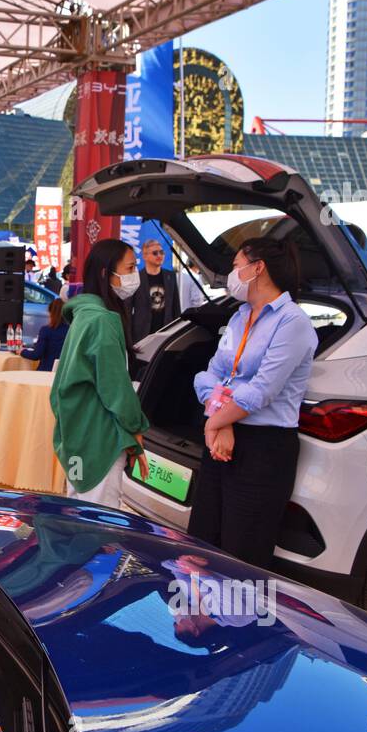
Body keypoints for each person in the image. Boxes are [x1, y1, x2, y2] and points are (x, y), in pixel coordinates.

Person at [188, 237, 317, 569]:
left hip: (263, 449)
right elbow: (210, 375)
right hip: (223, 437)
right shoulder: (239, 316)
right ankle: (199, 606)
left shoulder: (292, 322)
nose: (232, 275)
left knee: (241, 554)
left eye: (236, 266)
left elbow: (262, 390)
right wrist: (223, 423)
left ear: (258, 268)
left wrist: (214, 422)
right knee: (202, 544)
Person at [50, 239, 149, 507]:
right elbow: (115, 387)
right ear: (106, 273)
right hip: (99, 439)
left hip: (76, 435)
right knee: (99, 520)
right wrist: (136, 430)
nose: (135, 275)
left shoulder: (84, 315)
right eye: (130, 268)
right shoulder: (102, 320)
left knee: (77, 511)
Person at [128, 238, 180, 375]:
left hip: (165, 332)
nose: (159, 256)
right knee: (142, 372)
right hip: (142, 335)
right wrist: (129, 339)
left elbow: (176, 307)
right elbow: (127, 309)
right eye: (155, 253)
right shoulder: (137, 277)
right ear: (145, 256)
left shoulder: (170, 276)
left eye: (161, 252)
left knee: (163, 370)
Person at [21, 298, 68, 372]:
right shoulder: (71, 330)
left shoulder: (46, 330)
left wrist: (22, 351)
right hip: (63, 373)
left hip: (45, 371)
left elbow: (36, 355)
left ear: (51, 313)